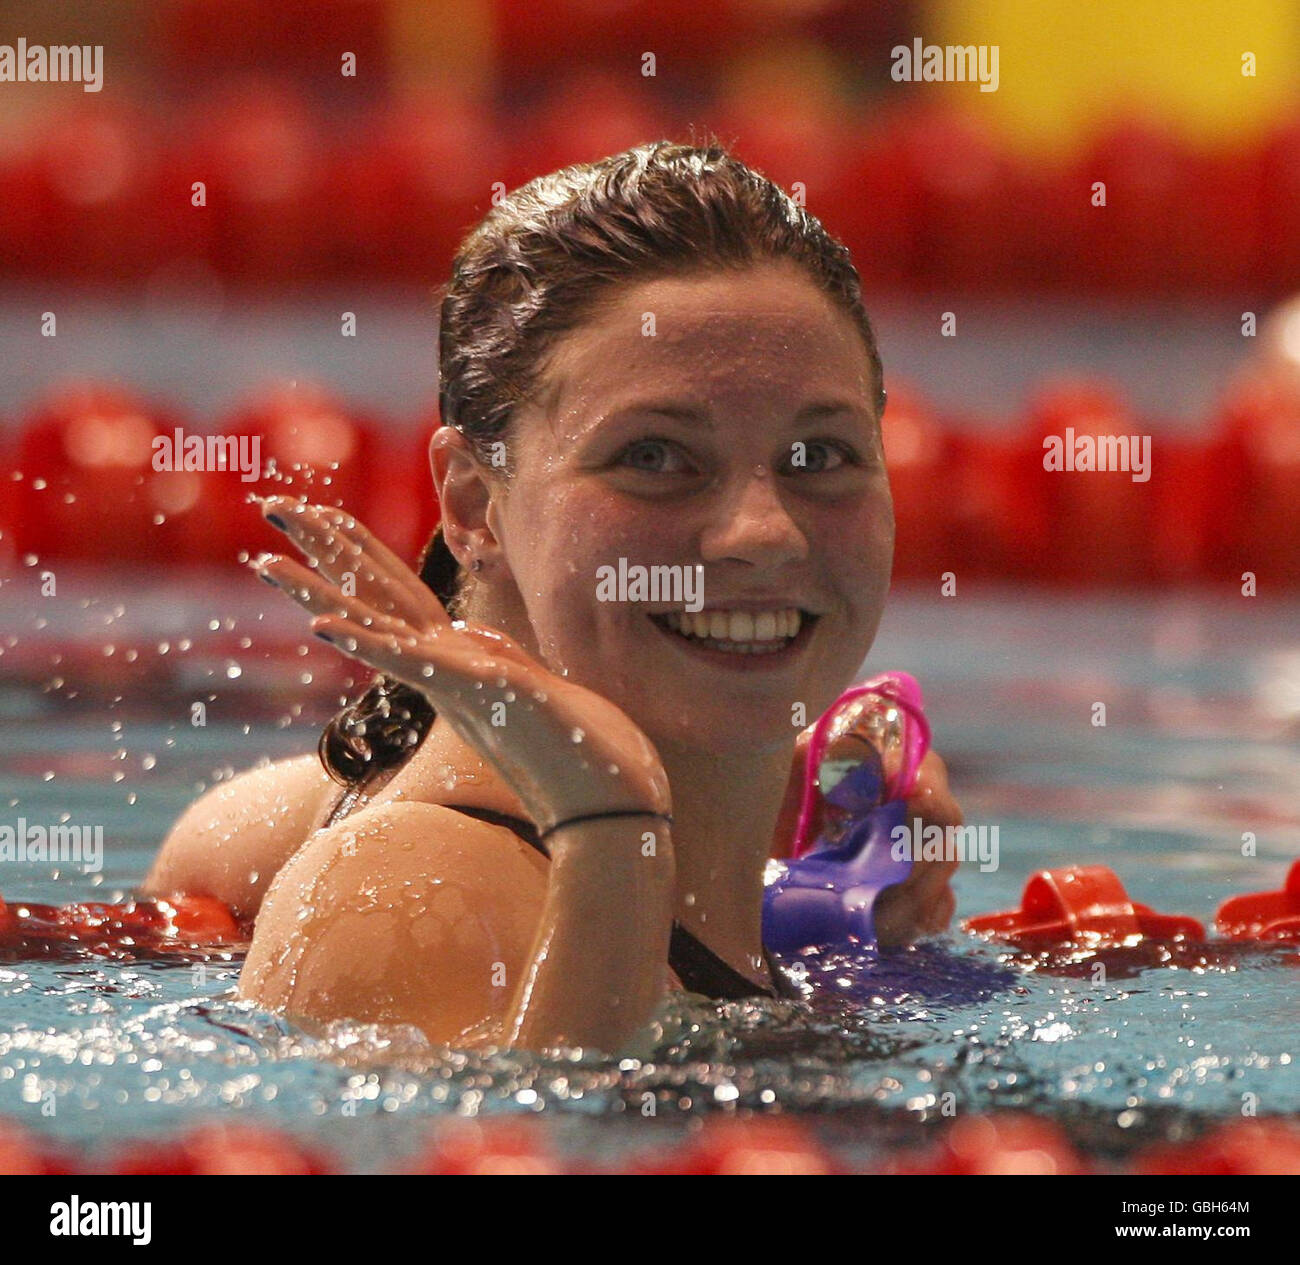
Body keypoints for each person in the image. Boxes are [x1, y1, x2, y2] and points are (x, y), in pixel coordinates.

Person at [143, 139, 962, 1055]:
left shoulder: (330, 813)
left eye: (821, 455)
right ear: (472, 504)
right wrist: (611, 833)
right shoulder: (417, 894)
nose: (763, 532)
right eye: (654, 457)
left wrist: (774, 785)